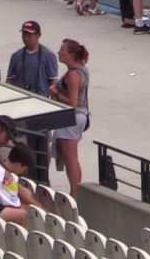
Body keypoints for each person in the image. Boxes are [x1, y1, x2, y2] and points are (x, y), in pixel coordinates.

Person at [50, 39, 89, 197]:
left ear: (72, 55)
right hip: (79, 116)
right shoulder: (81, 70)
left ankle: (75, 193)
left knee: (71, 158)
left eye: (62, 50)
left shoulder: (73, 75)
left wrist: (55, 93)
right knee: (70, 157)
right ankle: (75, 191)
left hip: (72, 118)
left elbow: (72, 102)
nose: (59, 53)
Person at [6, 20, 58, 97]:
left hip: (41, 98)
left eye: (29, 35)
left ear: (38, 35)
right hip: (19, 97)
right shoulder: (16, 56)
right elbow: (10, 80)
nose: (26, 38)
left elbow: (53, 81)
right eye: (24, 35)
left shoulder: (49, 56)